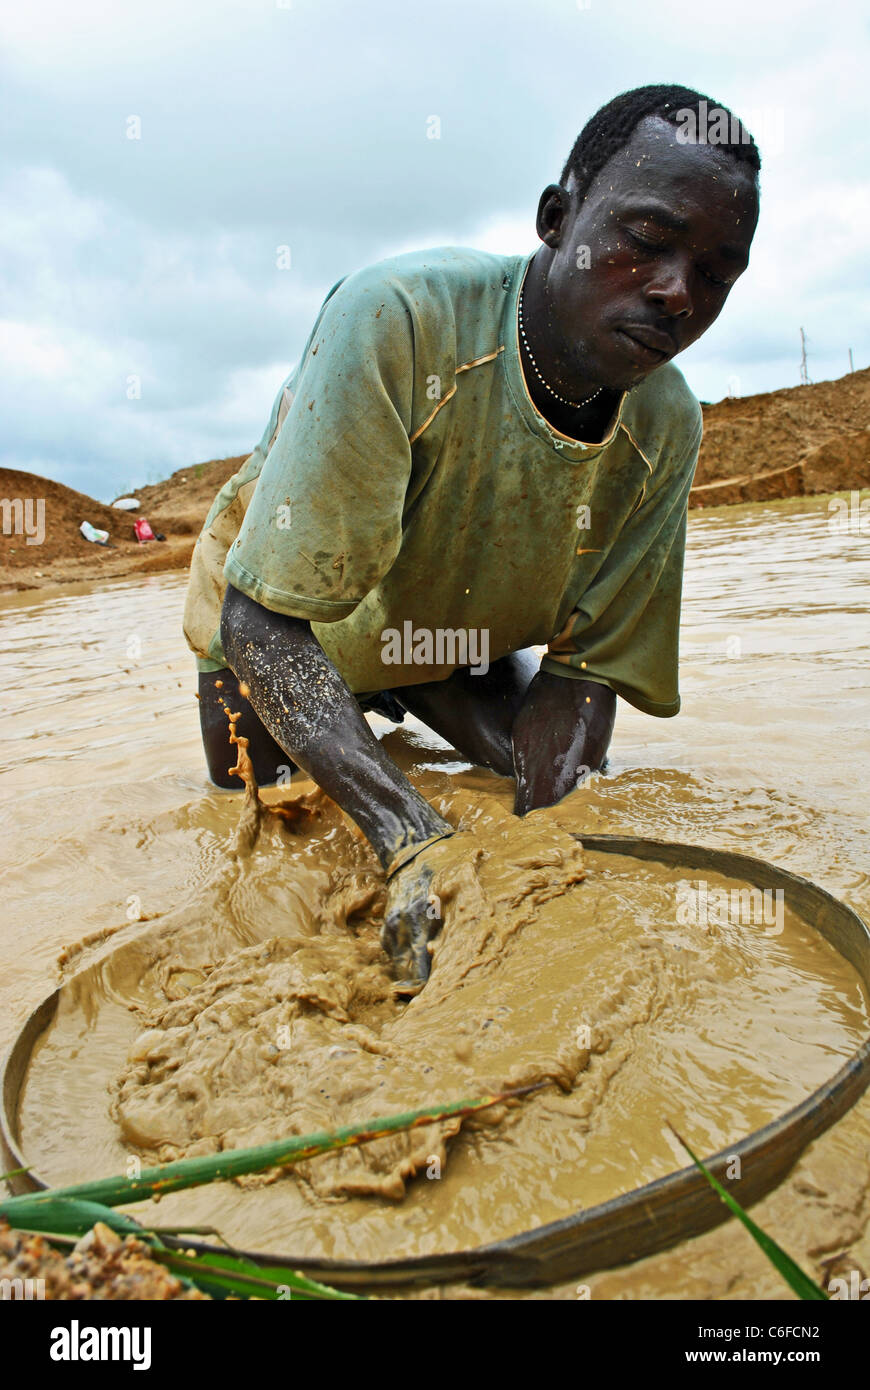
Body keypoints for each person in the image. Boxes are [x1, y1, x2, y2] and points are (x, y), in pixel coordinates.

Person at [183, 83, 760, 988]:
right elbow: (261, 623)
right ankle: (380, 748)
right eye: (646, 243)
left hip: (450, 646)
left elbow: (585, 673)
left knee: (568, 801)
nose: (678, 293)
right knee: (263, 819)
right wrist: (408, 838)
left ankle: (414, 700)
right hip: (283, 632)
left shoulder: (667, 427)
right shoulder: (399, 320)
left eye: (718, 273)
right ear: (556, 218)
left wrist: (555, 855)